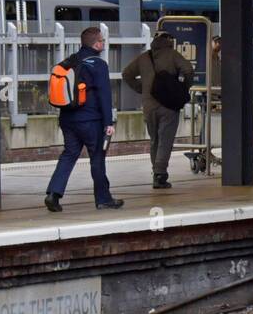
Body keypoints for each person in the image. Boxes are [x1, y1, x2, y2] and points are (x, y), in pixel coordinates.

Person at [45, 27, 124, 212]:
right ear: (96, 44)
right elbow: (105, 96)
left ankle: (53, 194)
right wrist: (108, 123)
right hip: (90, 121)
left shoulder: (70, 61)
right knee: (97, 157)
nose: (103, 43)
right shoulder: (99, 64)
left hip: (67, 119)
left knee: (69, 154)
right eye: (102, 41)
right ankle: (103, 199)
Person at [123, 31, 194, 189]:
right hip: (168, 105)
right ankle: (160, 174)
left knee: (154, 139)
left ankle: (156, 172)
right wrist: (183, 87)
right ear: (169, 41)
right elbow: (188, 70)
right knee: (165, 140)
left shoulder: (143, 58)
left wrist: (141, 88)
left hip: (149, 105)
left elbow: (126, 74)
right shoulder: (172, 54)